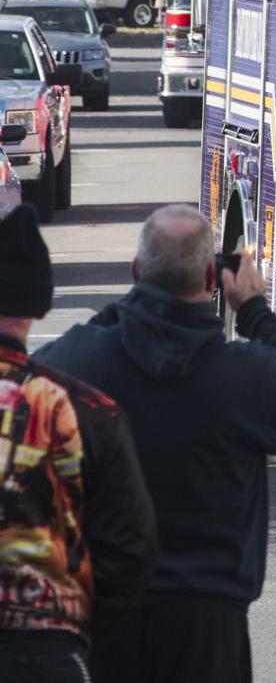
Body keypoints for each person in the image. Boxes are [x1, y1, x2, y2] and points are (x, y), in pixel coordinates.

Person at [40, 203, 276, 683]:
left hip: (108, 612)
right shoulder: (240, 377)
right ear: (212, 280)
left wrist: (133, 305)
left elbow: (46, 374)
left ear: (137, 272)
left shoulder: (82, 364)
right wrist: (257, 311)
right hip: (209, 619)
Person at [0, 205, 157, 681]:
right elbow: (132, 545)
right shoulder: (88, 410)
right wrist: (76, 618)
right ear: (39, 307)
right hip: (46, 646)